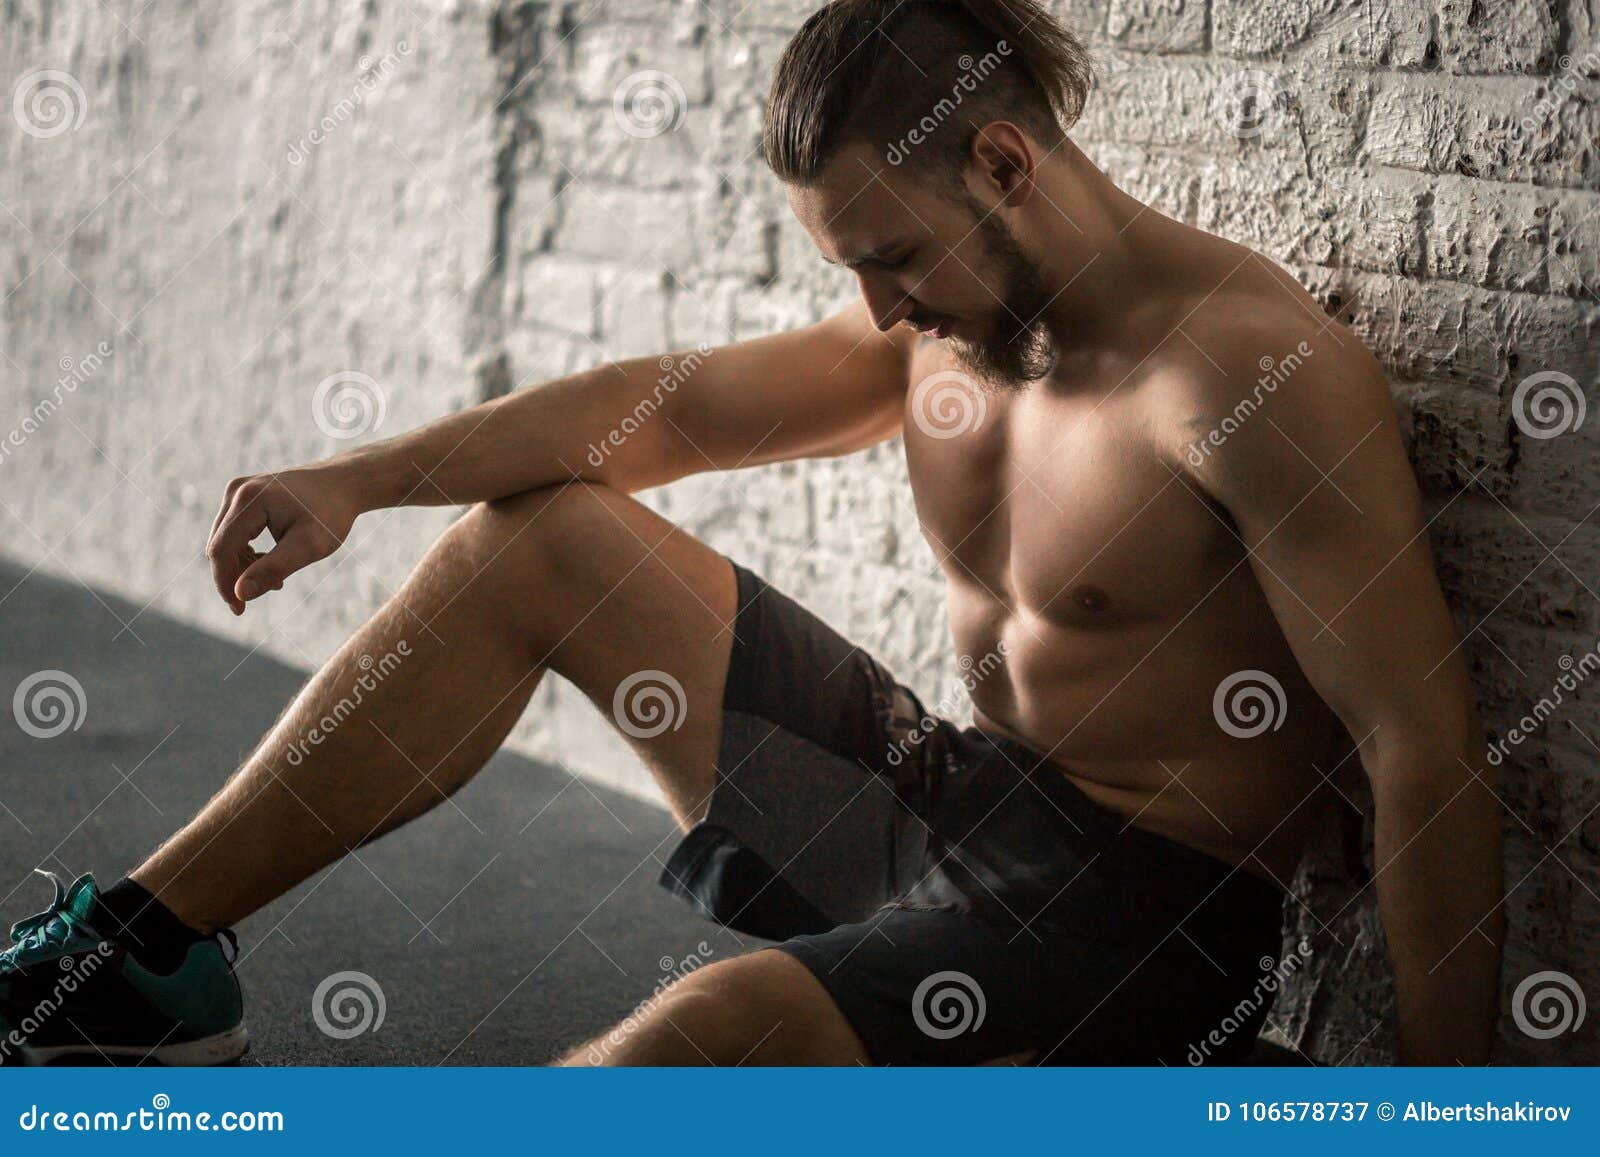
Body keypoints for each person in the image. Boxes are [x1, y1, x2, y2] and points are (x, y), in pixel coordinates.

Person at [0, 0, 1502, 1067]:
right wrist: (351, 480)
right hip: (949, 809)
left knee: (697, 1050)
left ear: (1002, 161)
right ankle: (140, 955)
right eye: (853, 270)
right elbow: (660, 411)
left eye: (894, 257)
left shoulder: (1246, 376)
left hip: (1135, 924)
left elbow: (1421, 751)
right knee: (545, 541)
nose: (880, 311)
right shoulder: (944, 325)